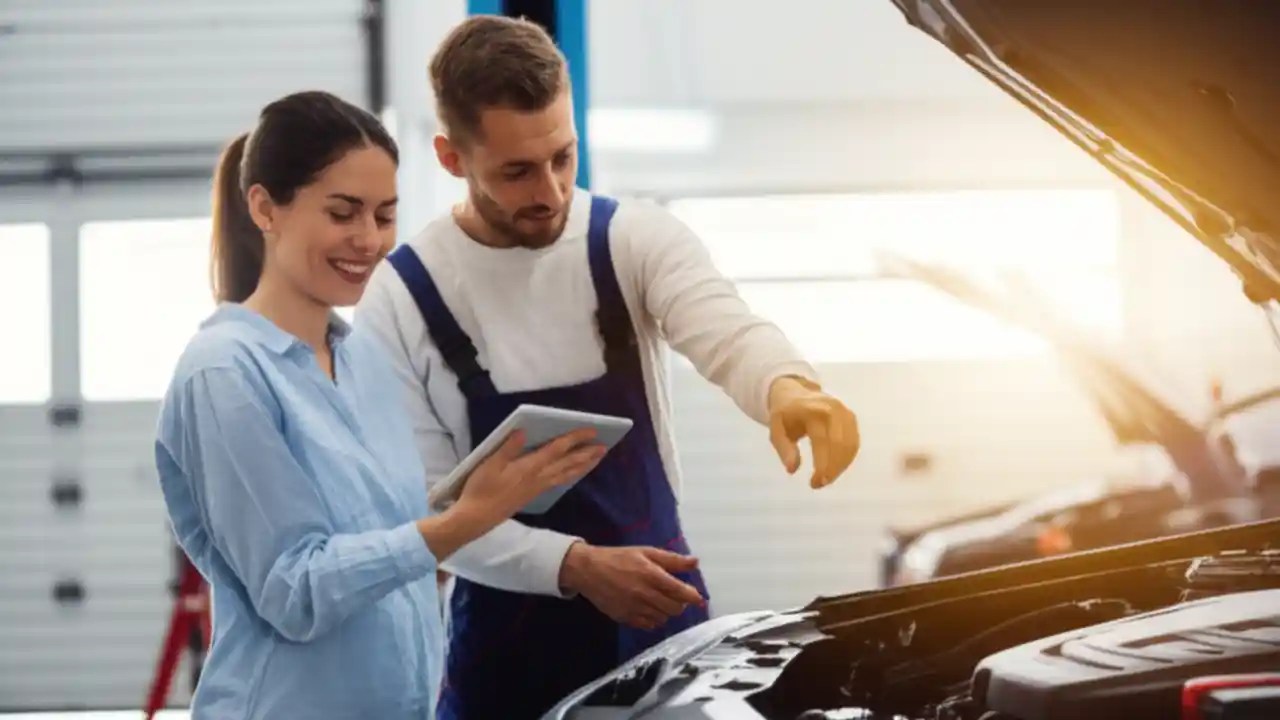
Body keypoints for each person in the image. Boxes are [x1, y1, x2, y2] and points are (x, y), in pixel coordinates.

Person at [354, 15, 862, 719]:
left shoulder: (632, 239)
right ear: (449, 157)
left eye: (563, 156)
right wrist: (576, 567)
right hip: (506, 663)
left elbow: (725, 328)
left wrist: (786, 387)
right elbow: (427, 513)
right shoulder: (400, 299)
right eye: (517, 172)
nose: (552, 191)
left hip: (661, 629)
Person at [152, 90, 607, 720]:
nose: (368, 240)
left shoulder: (363, 358)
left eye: (384, 215)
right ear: (264, 207)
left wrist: (493, 493)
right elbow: (296, 589)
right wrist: (462, 521)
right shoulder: (225, 373)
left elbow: (395, 539)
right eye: (343, 213)